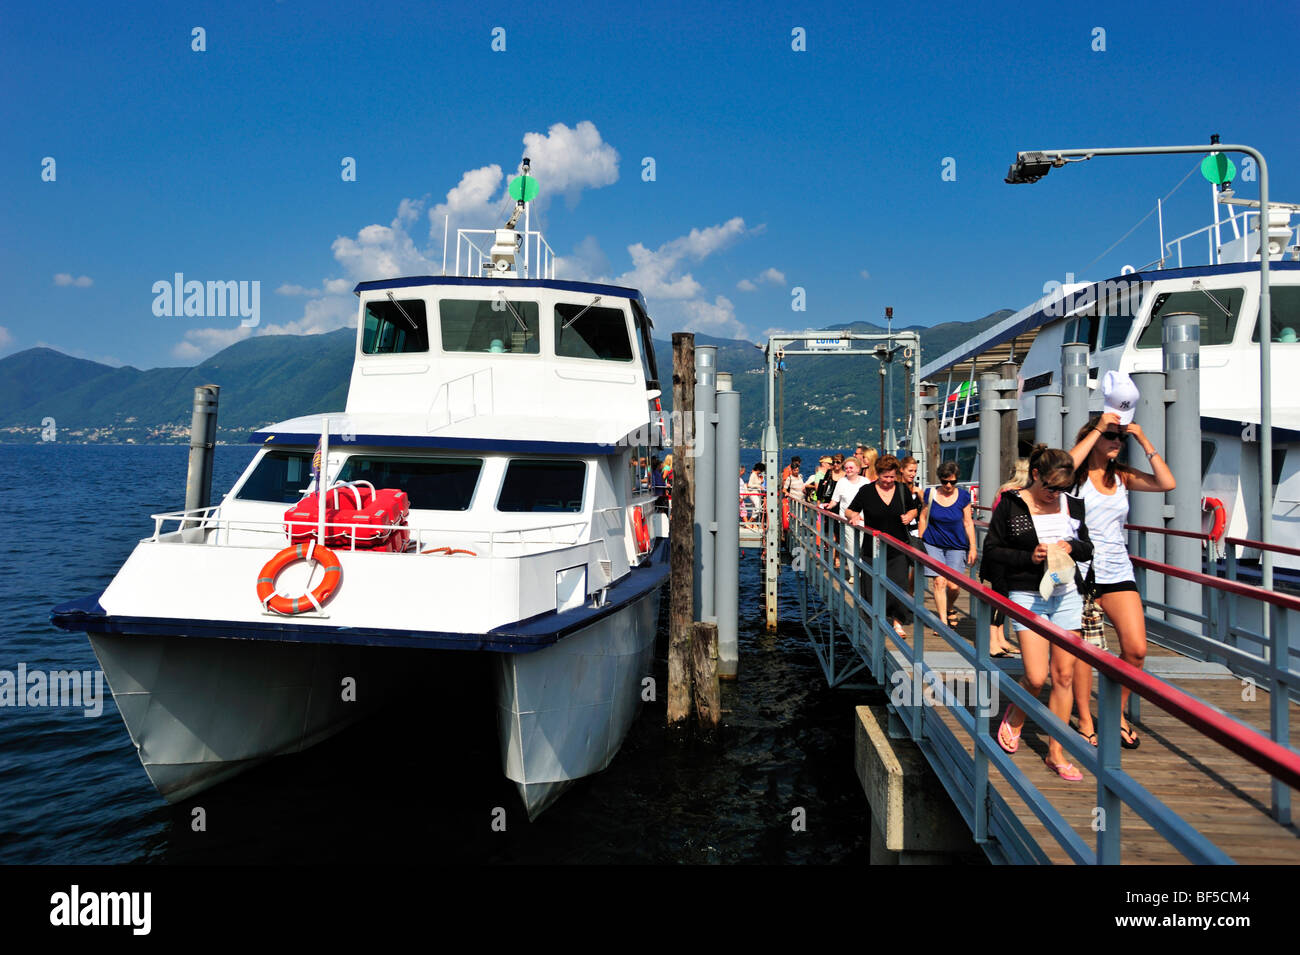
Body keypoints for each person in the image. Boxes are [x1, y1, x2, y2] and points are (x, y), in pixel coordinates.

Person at [1067, 383, 1175, 750]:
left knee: (1136, 649)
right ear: (1095, 436)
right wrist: (1101, 425)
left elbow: (1167, 483)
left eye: (1119, 437)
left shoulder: (1123, 476)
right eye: (1111, 436)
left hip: (1118, 572)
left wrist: (1143, 439)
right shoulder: (1075, 477)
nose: (1116, 441)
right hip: (1081, 574)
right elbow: (1064, 466)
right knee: (1086, 651)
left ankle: (1116, 712)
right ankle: (1084, 719)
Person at [983, 444, 1094, 782]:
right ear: (1035, 475)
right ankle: (1015, 715)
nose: (1056, 494)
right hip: (1027, 594)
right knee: (1035, 676)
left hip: (1067, 595)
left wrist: (1071, 546)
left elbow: (1088, 546)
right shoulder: (1011, 504)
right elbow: (992, 551)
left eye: (1063, 488)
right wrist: (1028, 557)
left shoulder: (1073, 506)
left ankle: (1055, 753)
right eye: (1051, 487)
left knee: (1063, 676)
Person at [845, 455, 919, 636]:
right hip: (873, 547)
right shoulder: (866, 491)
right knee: (872, 586)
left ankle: (897, 622)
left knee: (899, 585)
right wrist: (853, 517)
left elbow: (913, 508)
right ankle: (874, 619)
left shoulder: (902, 489)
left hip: (898, 546)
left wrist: (910, 516)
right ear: (877, 474)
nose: (888, 481)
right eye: (885, 477)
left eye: (892, 477)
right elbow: (849, 509)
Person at [917, 460, 977, 630]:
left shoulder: (964, 497)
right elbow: (923, 517)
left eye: (952, 481)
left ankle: (950, 607)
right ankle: (942, 622)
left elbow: (968, 522)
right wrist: (922, 539)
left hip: (957, 545)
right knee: (939, 582)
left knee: (954, 585)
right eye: (944, 481)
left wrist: (972, 547)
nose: (948, 485)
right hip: (933, 543)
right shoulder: (931, 494)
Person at [981, 460, 1028, 658]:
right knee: (1000, 596)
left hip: (1002, 551)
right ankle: (993, 641)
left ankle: (1000, 638)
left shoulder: (1004, 491)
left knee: (1004, 595)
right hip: (1003, 552)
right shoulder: (1012, 494)